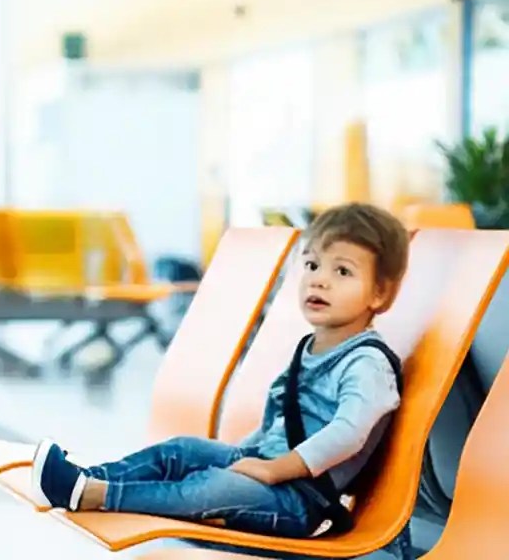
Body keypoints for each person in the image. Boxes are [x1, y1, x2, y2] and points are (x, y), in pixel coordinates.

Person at [30, 203, 410, 540]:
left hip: (298, 501)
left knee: (207, 486)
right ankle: (91, 477)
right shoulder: (311, 347)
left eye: (342, 271)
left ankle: (97, 496)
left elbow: (348, 434)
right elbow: (279, 419)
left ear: (379, 293)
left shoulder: (367, 364)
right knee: (183, 450)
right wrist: (245, 454)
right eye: (312, 264)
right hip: (268, 470)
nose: (319, 279)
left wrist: (276, 469)